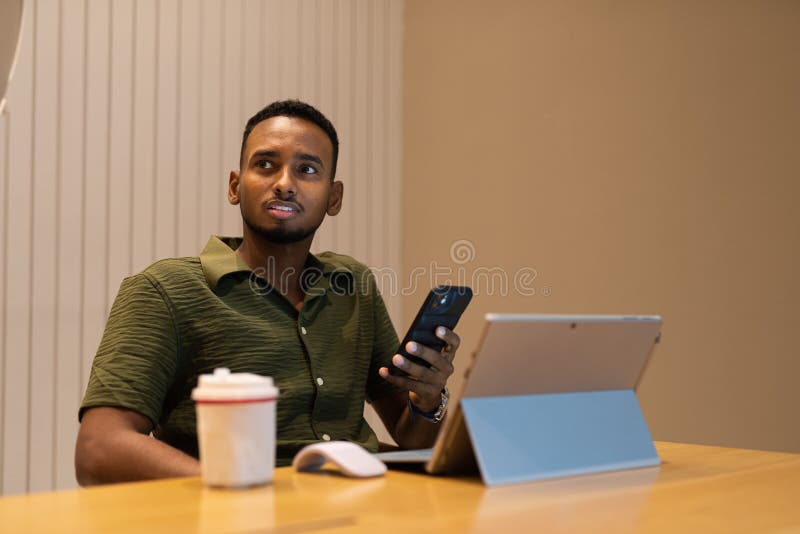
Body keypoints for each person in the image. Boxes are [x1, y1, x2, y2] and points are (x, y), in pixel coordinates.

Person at [75, 100, 460, 485]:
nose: (284, 183)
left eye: (307, 170)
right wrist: (243, 491)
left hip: (363, 508)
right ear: (234, 186)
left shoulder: (353, 285)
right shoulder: (166, 289)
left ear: (334, 198)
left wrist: (428, 400)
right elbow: (99, 449)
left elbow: (411, 437)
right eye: (265, 165)